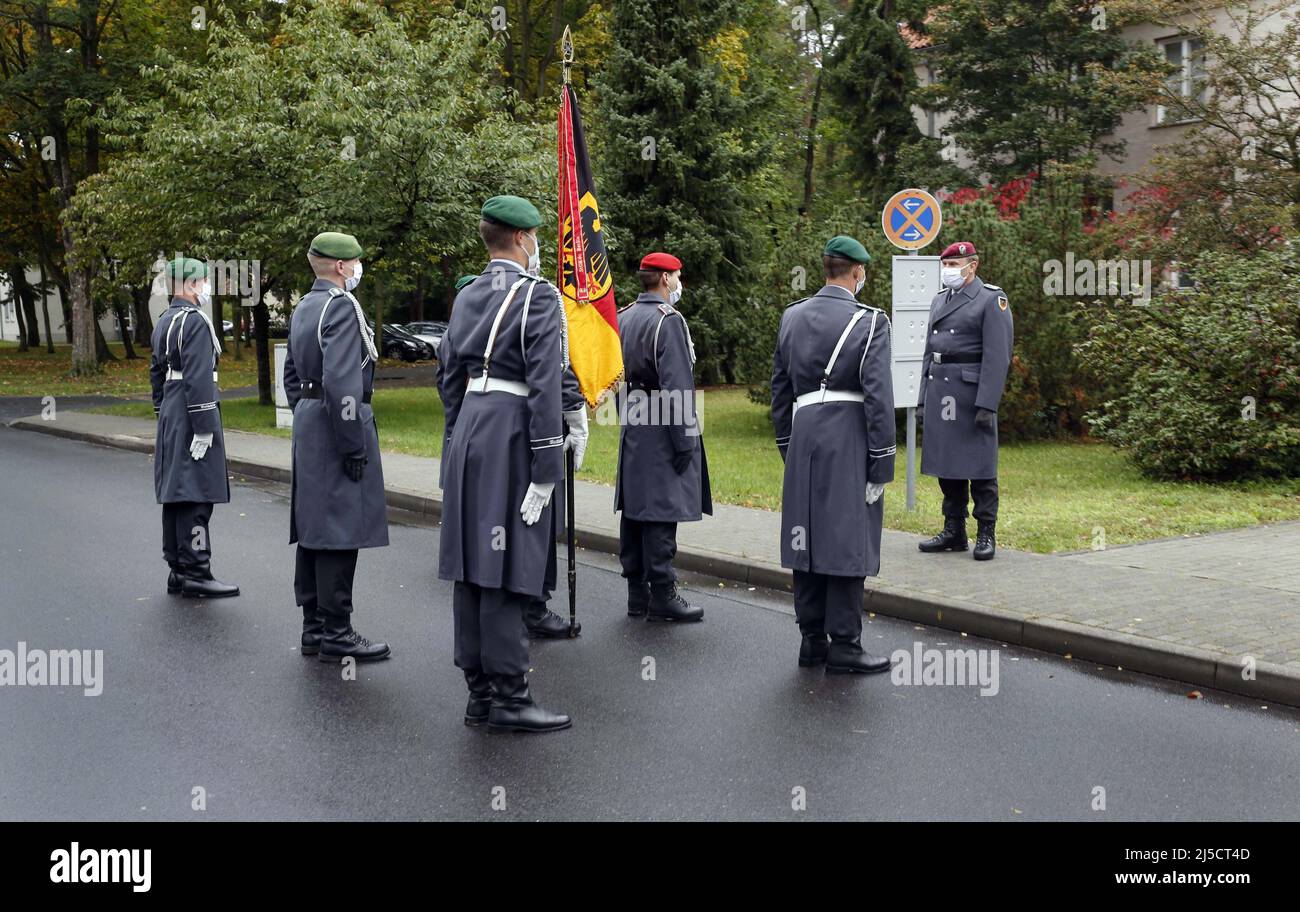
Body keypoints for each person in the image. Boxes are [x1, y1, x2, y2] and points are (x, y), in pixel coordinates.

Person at [437, 195, 572, 733]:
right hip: (513, 430)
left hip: (472, 424)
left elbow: (449, 375)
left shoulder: (468, 294)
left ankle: (479, 693)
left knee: (472, 564)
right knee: (508, 563)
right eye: (535, 236)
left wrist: (455, 441)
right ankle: (511, 696)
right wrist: (546, 467)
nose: (537, 245)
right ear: (520, 239)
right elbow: (543, 385)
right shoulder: (536, 296)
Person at [771, 236, 894, 674]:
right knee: (846, 538)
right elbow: (878, 398)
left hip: (804, 434)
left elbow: (780, 391)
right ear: (857, 272)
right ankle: (844, 644)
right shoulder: (871, 321)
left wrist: (789, 444)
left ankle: (811, 640)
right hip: (847, 437)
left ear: (826, 268)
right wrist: (881, 461)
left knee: (804, 537)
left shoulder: (792, 316)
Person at [283, 231, 391, 662]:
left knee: (314, 528)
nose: (359, 269)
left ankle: (314, 628)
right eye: (357, 262)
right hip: (337, 424)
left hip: (312, 421)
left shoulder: (306, 306)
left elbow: (292, 375)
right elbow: (343, 382)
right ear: (342, 267)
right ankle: (337, 632)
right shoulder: (341, 306)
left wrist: (305, 411)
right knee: (339, 531)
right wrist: (351, 444)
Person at [613, 252, 711, 623]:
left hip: (634, 420)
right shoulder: (668, 320)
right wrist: (686, 439)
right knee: (659, 510)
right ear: (666, 279)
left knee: (635, 508)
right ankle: (663, 594)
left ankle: (636, 594)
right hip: (663, 420)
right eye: (678, 276)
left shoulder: (623, 316)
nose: (679, 282)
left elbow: (615, 375)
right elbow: (677, 386)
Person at [915, 241, 1013, 561]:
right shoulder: (939, 300)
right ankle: (954, 529)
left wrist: (988, 403)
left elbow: (998, 356)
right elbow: (929, 352)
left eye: (955, 266)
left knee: (981, 468)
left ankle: (986, 531)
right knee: (948, 465)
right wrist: (921, 400)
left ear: (972, 266)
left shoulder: (990, 300)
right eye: (945, 266)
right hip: (941, 390)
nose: (948, 272)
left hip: (971, 394)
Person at [149, 256, 239, 599]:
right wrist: (204, 426)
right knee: (197, 496)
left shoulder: (165, 320)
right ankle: (197, 570)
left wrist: (162, 410)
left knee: (177, 494)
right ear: (189, 285)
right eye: (203, 282)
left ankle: (178, 569)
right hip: (192, 412)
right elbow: (200, 380)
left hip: (173, 410)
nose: (206, 288)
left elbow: (156, 373)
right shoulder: (195, 322)